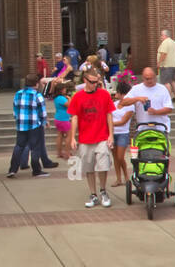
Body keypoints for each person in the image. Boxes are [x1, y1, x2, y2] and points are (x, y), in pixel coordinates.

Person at [68, 68, 115, 208]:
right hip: (85, 138)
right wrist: (72, 137)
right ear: (85, 80)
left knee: (103, 165)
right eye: (92, 82)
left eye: (97, 82)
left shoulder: (104, 95)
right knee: (88, 168)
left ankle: (103, 191)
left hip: (102, 136)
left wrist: (111, 135)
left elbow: (109, 115)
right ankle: (93, 194)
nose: (95, 84)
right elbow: (74, 117)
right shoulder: (77, 96)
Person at [6, 74, 53, 179]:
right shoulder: (37, 95)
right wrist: (44, 121)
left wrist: (17, 118)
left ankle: (12, 169)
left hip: (21, 125)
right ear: (36, 84)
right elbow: (42, 112)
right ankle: (36, 170)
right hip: (34, 125)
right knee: (35, 148)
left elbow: (15, 108)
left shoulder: (18, 93)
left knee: (19, 146)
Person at [109, 80, 134, 187]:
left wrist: (110, 124)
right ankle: (118, 178)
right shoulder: (113, 104)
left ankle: (126, 176)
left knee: (120, 157)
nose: (116, 94)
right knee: (115, 157)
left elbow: (123, 121)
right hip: (112, 133)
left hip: (123, 133)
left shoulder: (130, 106)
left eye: (118, 92)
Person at [156, 29, 175, 103]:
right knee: (172, 81)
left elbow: (163, 54)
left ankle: (168, 98)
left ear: (165, 35)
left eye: (161, 35)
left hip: (166, 65)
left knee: (166, 82)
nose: (160, 37)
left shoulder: (165, 42)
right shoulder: (174, 43)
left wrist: (159, 63)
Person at [52, 80, 73, 159]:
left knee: (60, 135)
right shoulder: (61, 98)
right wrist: (69, 98)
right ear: (61, 90)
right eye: (64, 89)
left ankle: (59, 153)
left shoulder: (56, 98)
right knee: (68, 136)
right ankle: (67, 153)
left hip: (58, 118)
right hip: (64, 119)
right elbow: (69, 105)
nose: (65, 90)